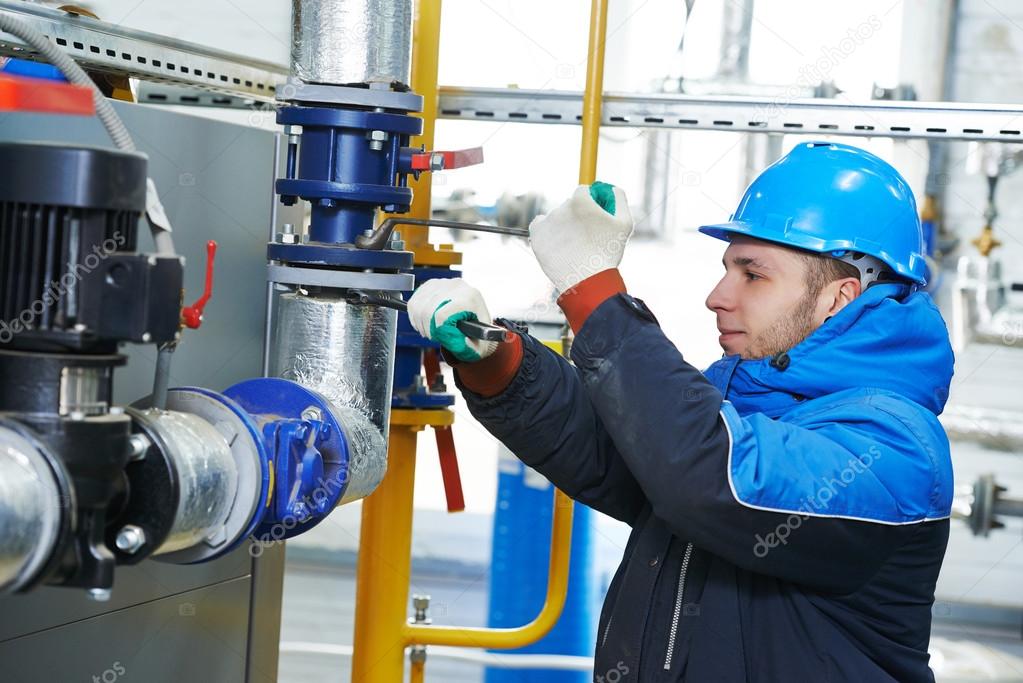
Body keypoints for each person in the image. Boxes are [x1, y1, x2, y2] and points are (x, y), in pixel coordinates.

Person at [407, 141, 955, 682]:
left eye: (753, 275)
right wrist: (499, 362)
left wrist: (594, 294)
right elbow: (619, 452)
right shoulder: (745, 406)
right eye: (727, 270)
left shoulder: (894, 445)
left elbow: (715, 479)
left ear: (840, 297)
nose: (718, 296)